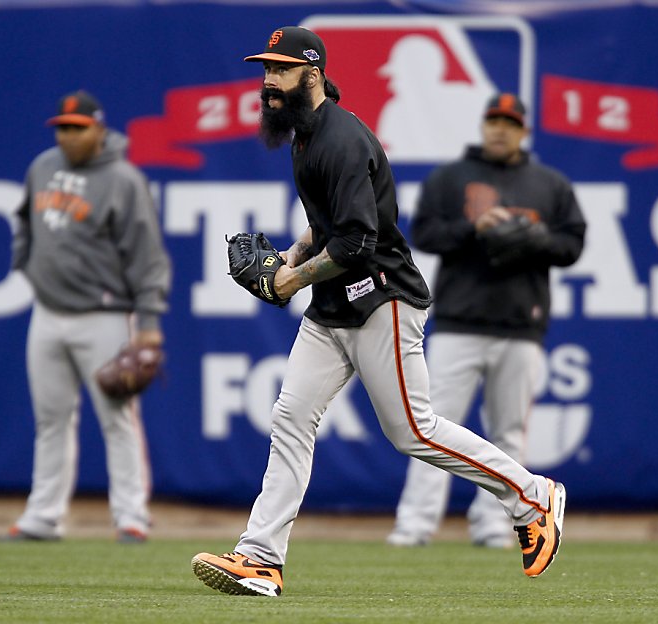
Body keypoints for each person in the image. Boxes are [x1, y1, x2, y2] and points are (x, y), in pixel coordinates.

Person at [190, 26, 566, 598]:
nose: (267, 80)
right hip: (334, 305)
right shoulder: (305, 135)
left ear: (311, 74)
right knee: (291, 417)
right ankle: (260, 559)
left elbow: (357, 244)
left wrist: (288, 277)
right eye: (265, 68)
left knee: (413, 431)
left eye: (279, 69)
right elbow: (327, 225)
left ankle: (531, 495)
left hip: (380, 299)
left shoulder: (340, 140)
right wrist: (291, 254)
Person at [387, 93, 586, 549]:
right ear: (482, 125)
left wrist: (534, 237)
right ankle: (415, 524)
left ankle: (497, 525)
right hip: (460, 320)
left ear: (523, 130)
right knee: (431, 428)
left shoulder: (548, 184)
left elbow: (572, 244)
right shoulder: (451, 178)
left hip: (521, 323)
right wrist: (474, 229)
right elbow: (424, 234)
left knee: (509, 431)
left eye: (509, 122)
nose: (500, 128)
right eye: (493, 120)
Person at [0, 90, 172, 544]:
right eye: (62, 127)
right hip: (48, 312)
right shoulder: (42, 167)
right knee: (50, 418)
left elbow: (148, 258)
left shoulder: (122, 179)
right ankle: (42, 516)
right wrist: (27, 265)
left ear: (99, 129)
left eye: (77, 128)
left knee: (117, 416)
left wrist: (149, 325)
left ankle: (131, 516)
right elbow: (23, 221)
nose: (67, 135)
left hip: (104, 313)